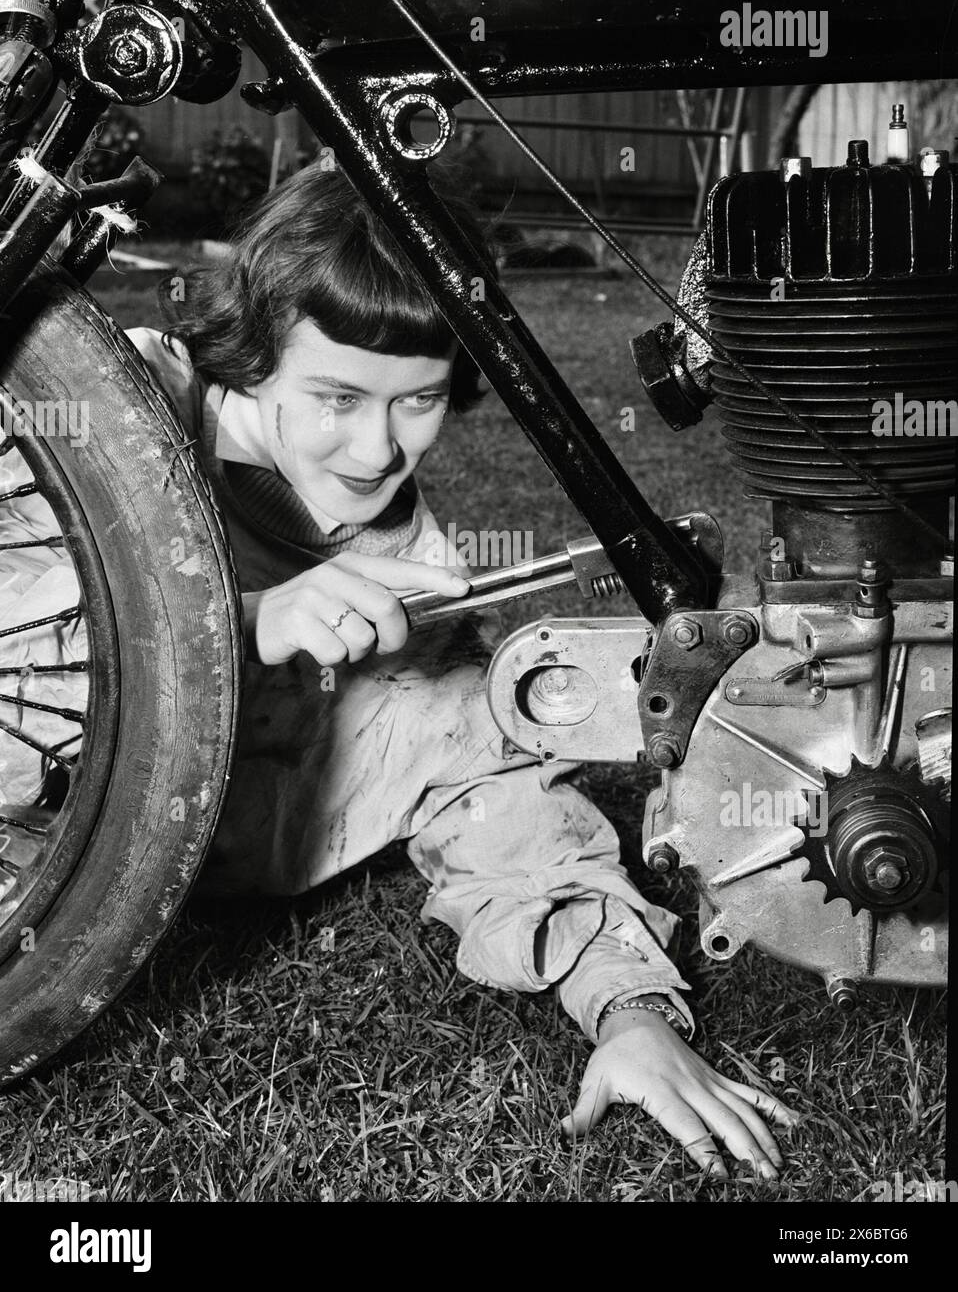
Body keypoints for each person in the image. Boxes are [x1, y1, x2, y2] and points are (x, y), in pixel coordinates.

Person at [128, 161, 796, 1176]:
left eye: (419, 400)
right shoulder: (119, 418)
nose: (373, 449)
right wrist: (232, 620)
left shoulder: (421, 589)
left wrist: (626, 1006)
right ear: (253, 355)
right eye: (335, 395)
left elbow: (501, 798)